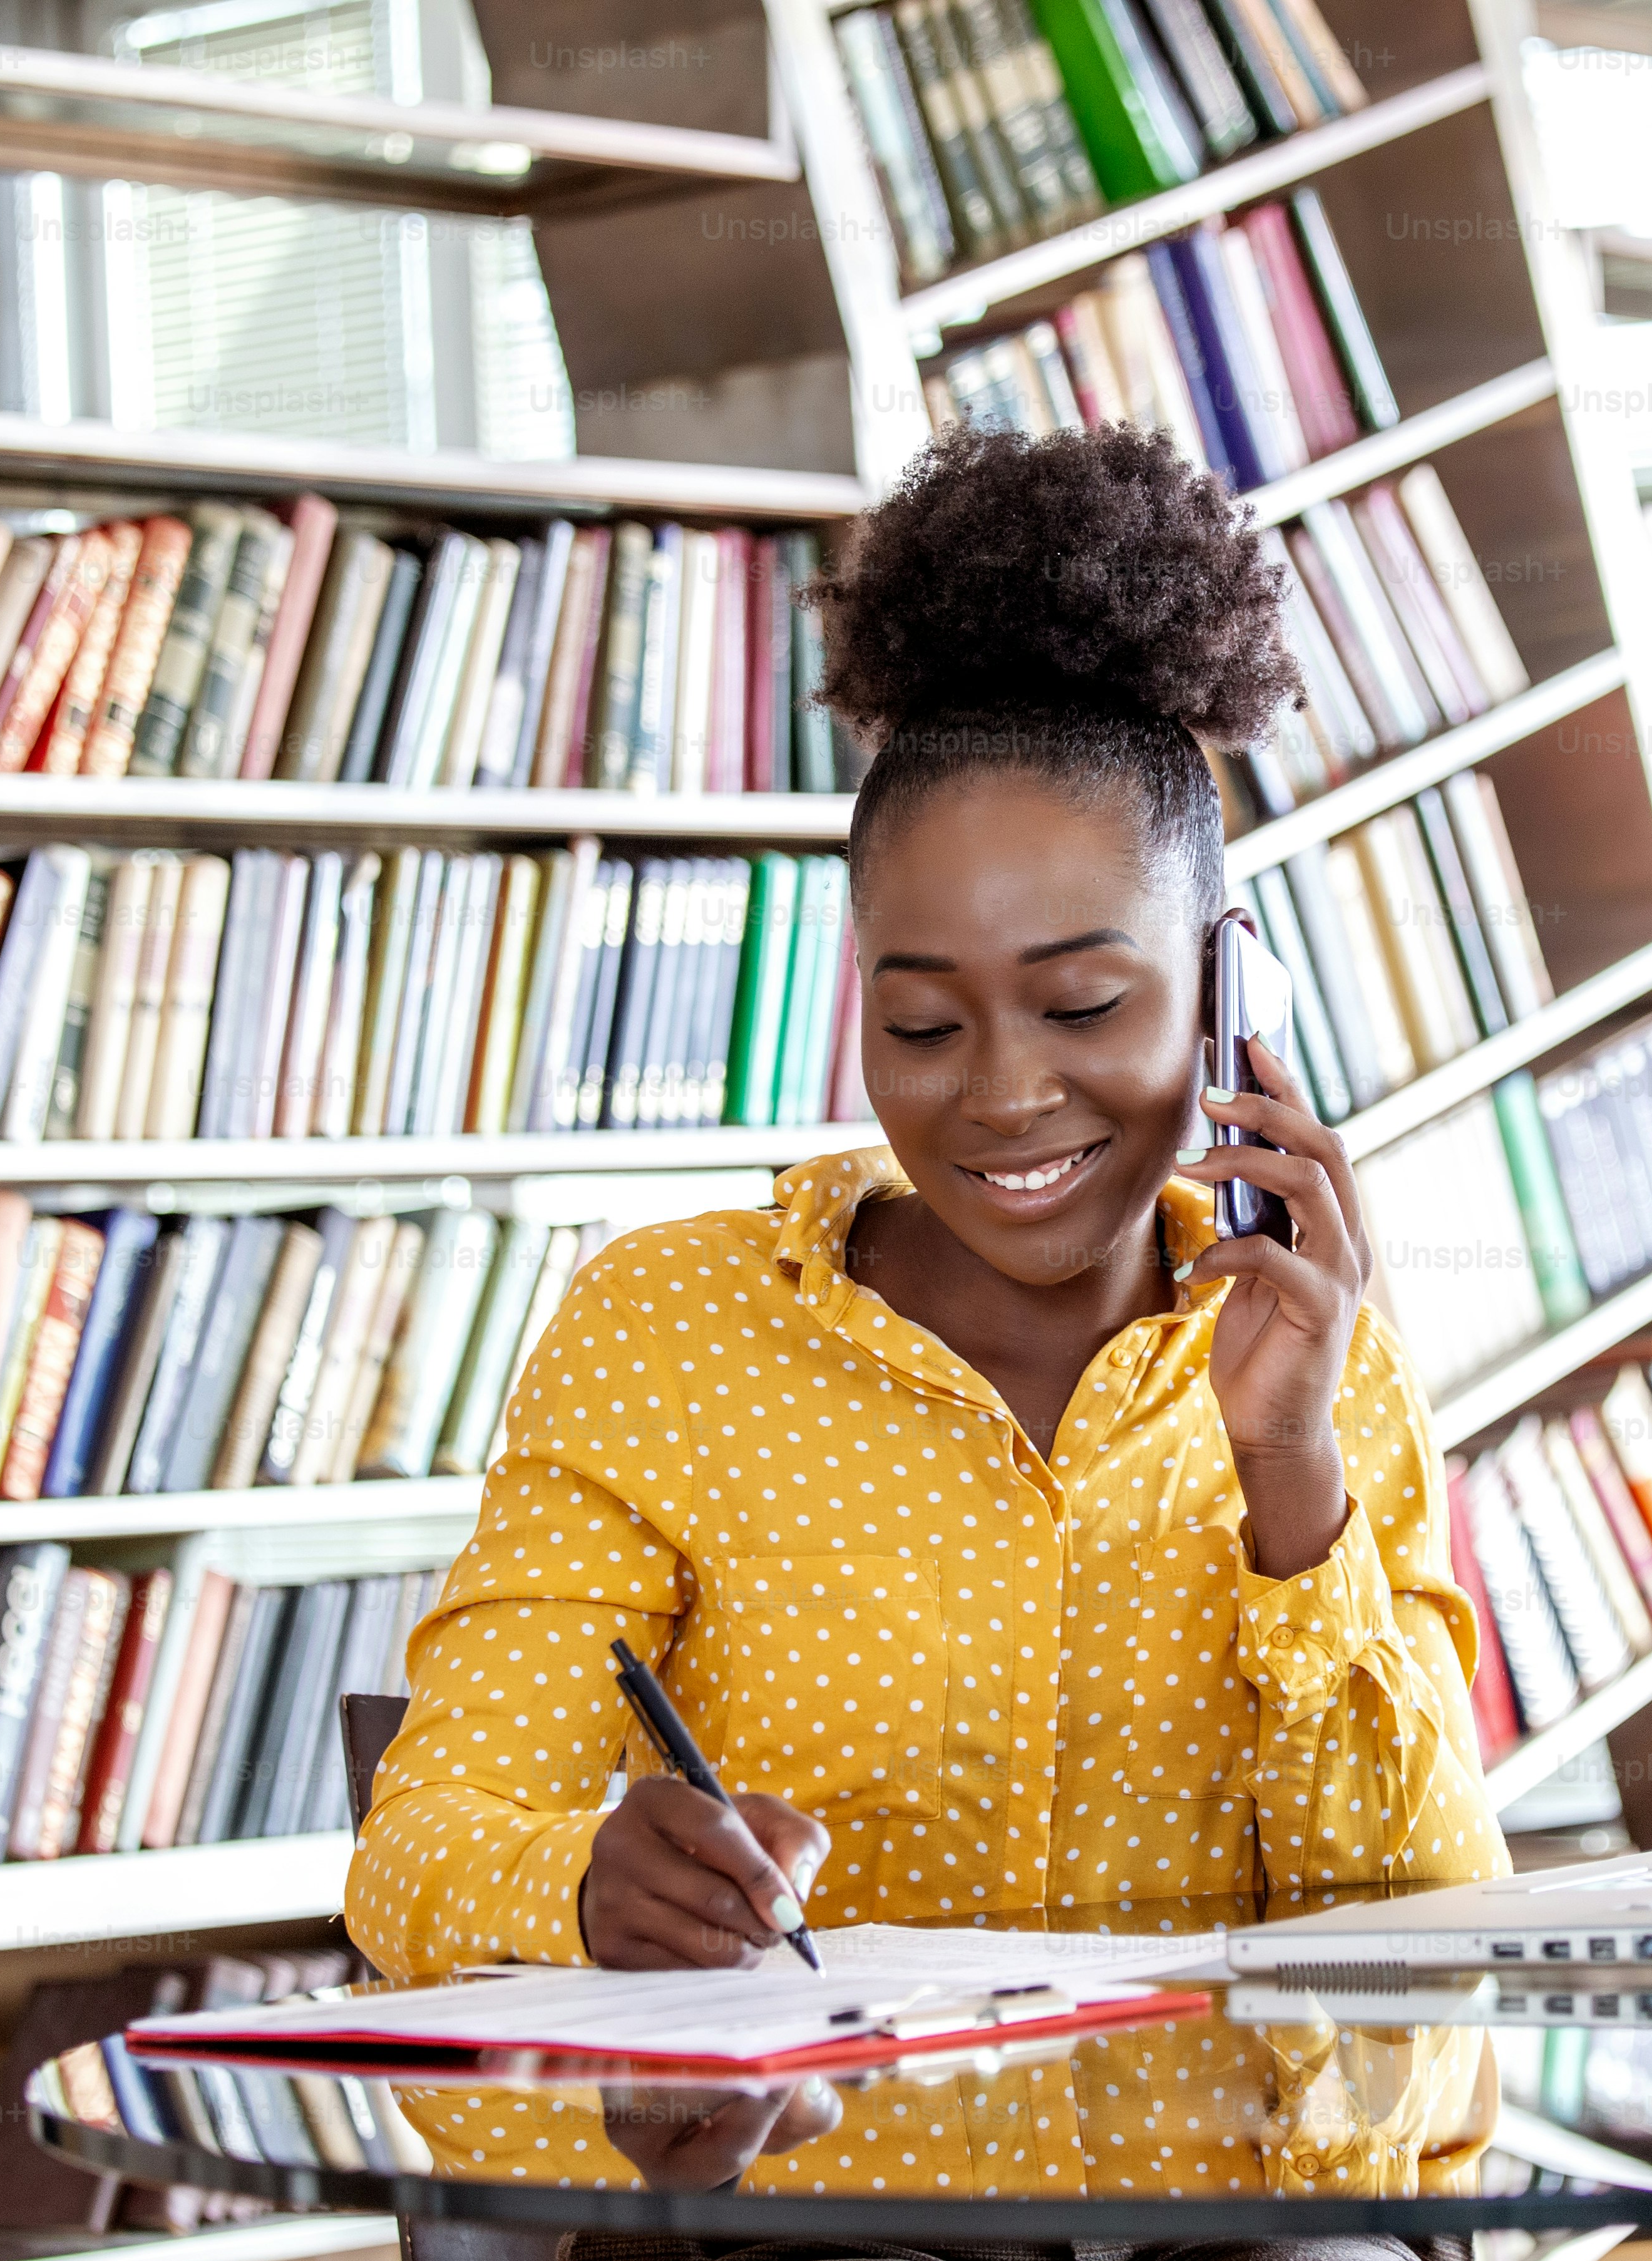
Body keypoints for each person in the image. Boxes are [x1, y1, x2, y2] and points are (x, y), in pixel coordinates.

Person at [346, 421, 1509, 1993]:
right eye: (922, 1024)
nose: (1002, 1094)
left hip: (1226, 2190)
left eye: (1086, 1005)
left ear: (1234, 989)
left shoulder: (1318, 1358)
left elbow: (1424, 1934)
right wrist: (580, 1883)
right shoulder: (672, 1329)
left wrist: (1289, 1474)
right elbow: (420, 1850)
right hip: (824, 2188)